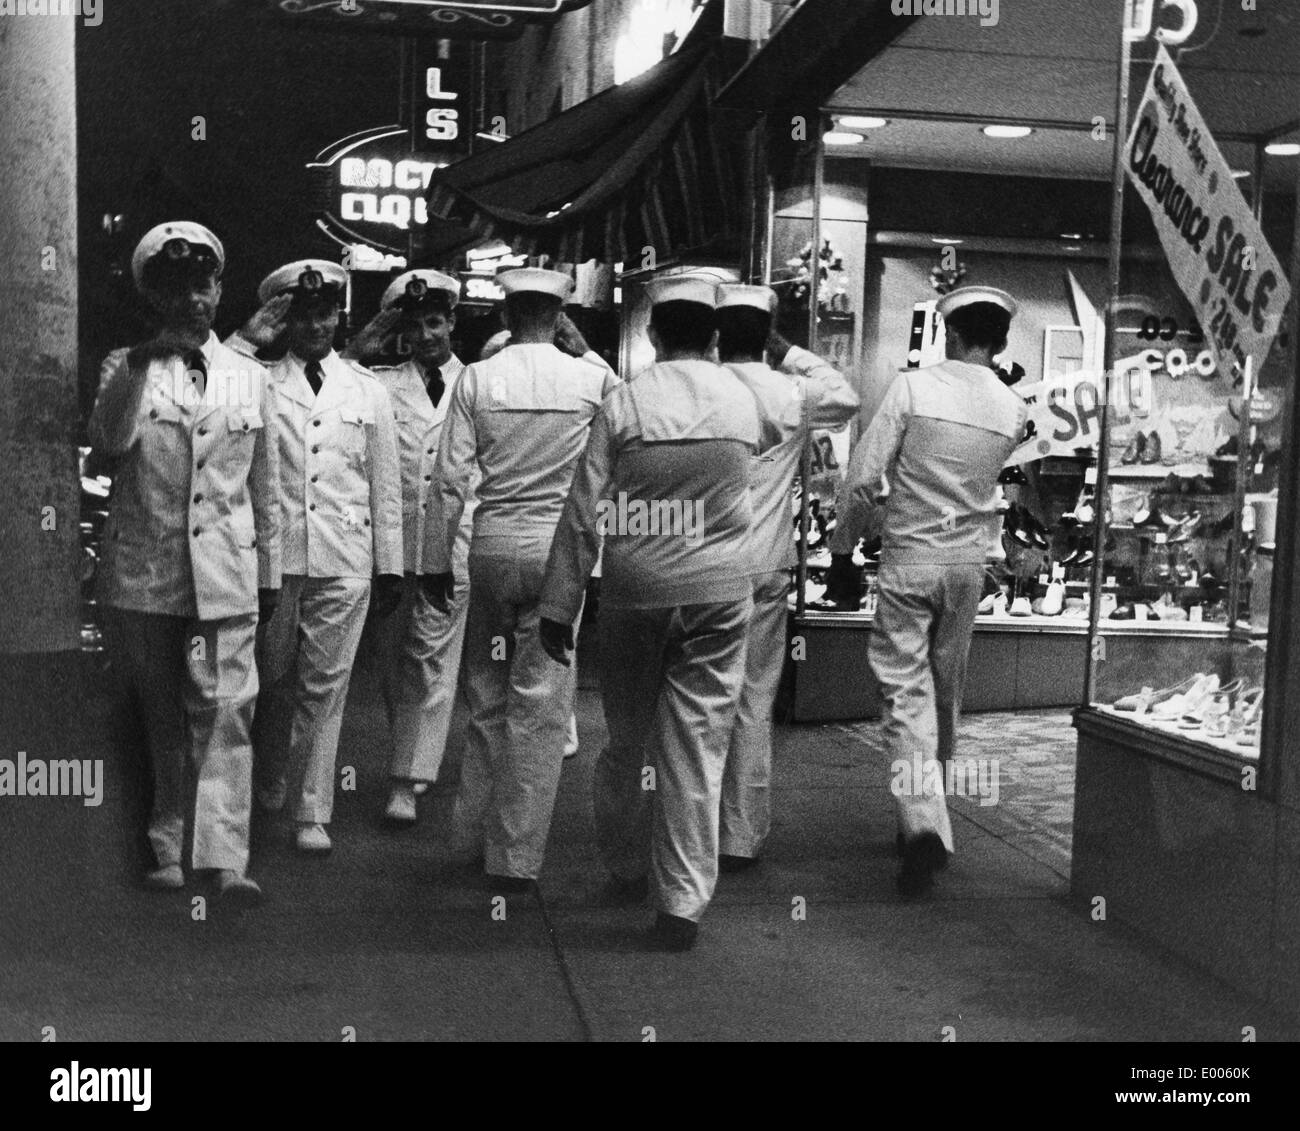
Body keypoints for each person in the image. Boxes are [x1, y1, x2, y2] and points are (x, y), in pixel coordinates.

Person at [537, 275, 782, 951]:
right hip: (721, 593)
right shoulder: (742, 400)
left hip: (635, 590)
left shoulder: (625, 402)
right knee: (699, 746)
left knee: (629, 738)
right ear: (711, 336)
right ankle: (682, 900)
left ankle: (625, 863)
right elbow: (745, 485)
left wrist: (562, 603)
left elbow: (585, 510)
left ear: (650, 335)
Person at [88, 221, 280, 904]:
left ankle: (225, 858)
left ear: (219, 288)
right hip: (145, 574)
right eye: (177, 289)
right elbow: (108, 441)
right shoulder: (127, 366)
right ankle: (169, 843)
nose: (193, 300)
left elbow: (267, 487)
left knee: (226, 710)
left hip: (225, 573)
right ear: (155, 298)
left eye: (203, 284)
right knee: (162, 715)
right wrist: (143, 362)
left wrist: (271, 575)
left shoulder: (248, 377)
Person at [421, 267, 617, 891]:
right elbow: (615, 463)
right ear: (561, 318)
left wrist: (432, 562)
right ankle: (513, 858)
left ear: (506, 315)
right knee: (541, 710)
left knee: (485, 699)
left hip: (492, 549)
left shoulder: (477, 379)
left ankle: (467, 837)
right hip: (559, 558)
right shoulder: (593, 381)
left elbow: (449, 481)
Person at [832, 285, 1027, 897]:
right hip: (968, 566)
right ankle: (929, 817)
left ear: (949, 333)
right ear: (999, 342)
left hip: (911, 558)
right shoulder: (1012, 408)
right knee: (946, 691)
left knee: (902, 693)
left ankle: (921, 824)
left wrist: (842, 549)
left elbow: (864, 478)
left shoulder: (913, 388)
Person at [231, 259, 403, 855]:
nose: (316, 325)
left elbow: (386, 485)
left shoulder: (368, 390)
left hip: (346, 557)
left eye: (326, 312)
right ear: (285, 319)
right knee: (272, 680)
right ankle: (272, 769)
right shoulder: (258, 381)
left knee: (325, 687)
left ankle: (312, 810)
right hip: (276, 560)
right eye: (303, 314)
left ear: (340, 315)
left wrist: (391, 567)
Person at [714, 283, 860, 871]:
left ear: (718, 331)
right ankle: (740, 836)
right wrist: (790, 351)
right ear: (767, 335)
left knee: (696, 701)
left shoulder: (706, 388)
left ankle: (686, 824)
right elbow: (845, 397)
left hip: (703, 566)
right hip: (767, 566)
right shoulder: (793, 393)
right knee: (753, 700)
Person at [346, 269, 475, 826]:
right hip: (393, 546)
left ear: (452, 323)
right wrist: (378, 327)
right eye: (415, 324)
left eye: (436, 321)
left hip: (452, 540)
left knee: (432, 660)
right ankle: (414, 756)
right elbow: (337, 373)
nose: (427, 335)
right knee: (395, 662)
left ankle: (405, 778)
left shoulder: (476, 382)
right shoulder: (378, 382)